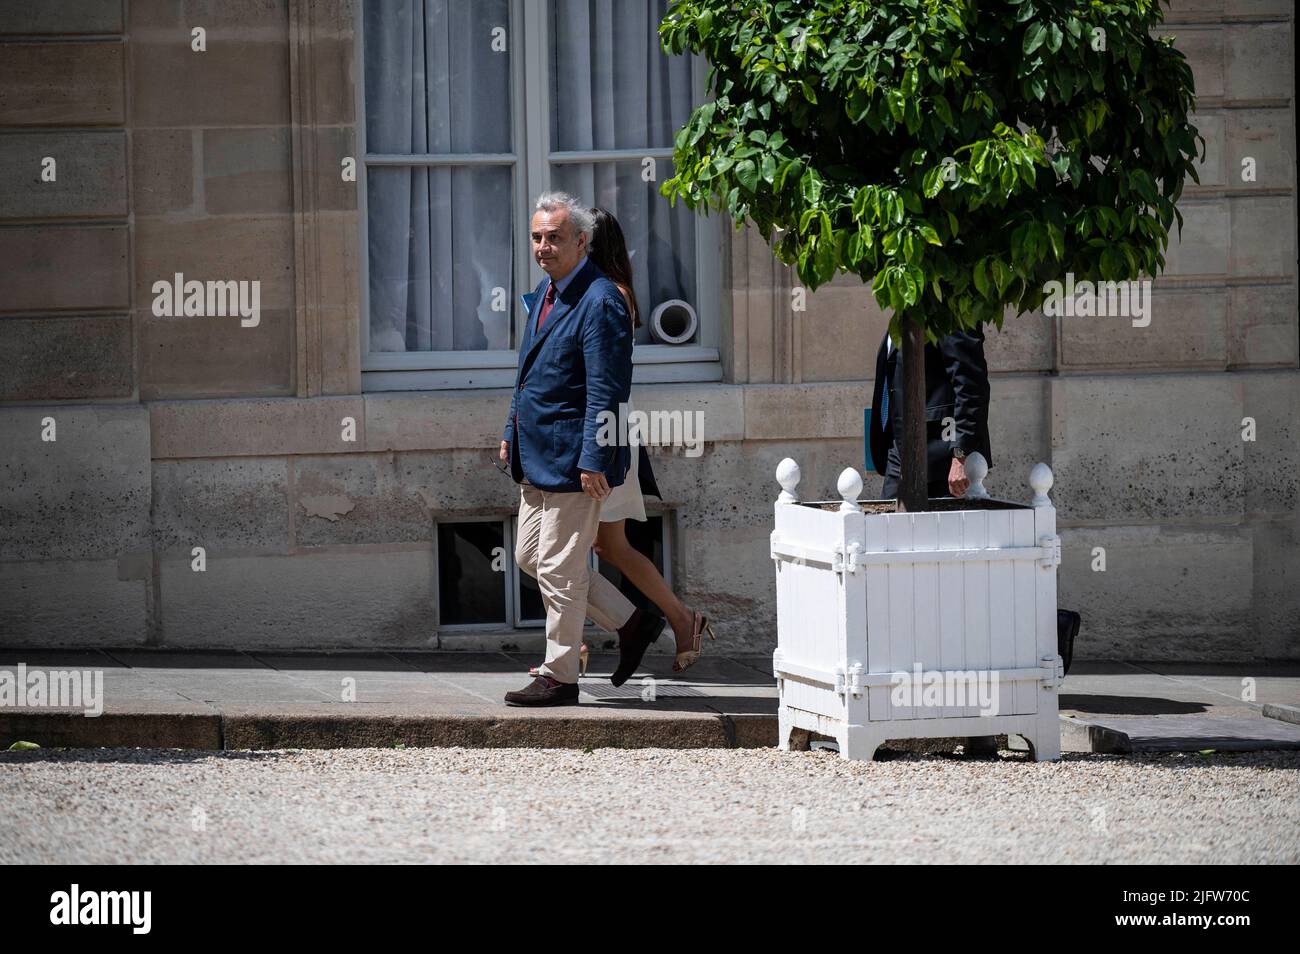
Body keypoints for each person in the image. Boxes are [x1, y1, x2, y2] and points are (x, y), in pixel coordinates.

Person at [868, 325, 1082, 756]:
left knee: (963, 582)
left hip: (938, 458)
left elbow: (970, 379)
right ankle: (918, 698)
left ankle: (1047, 634)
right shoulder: (906, 294)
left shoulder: (948, 302)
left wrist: (962, 454)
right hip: (904, 452)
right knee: (900, 575)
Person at [499, 191, 663, 707]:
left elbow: (606, 389)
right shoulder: (547, 292)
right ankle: (633, 621)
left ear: (582, 242)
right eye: (537, 237)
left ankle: (560, 675)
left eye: (554, 237)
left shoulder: (601, 299)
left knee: (560, 567)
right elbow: (528, 375)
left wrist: (596, 457)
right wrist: (511, 428)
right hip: (536, 453)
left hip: (575, 457)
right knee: (531, 556)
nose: (543, 247)